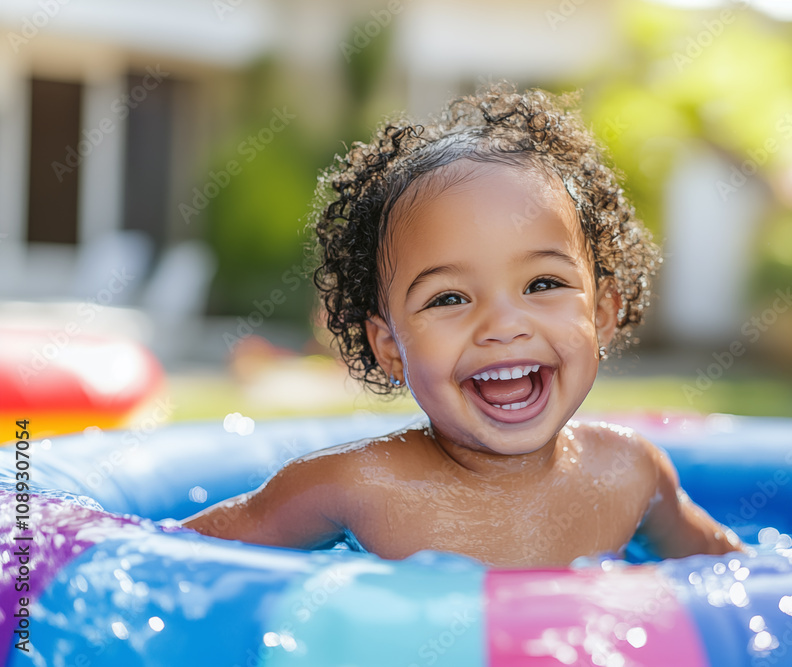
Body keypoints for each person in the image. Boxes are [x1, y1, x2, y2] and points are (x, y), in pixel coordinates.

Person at [183, 82, 741, 566]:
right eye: (449, 297)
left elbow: (736, 573)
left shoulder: (629, 475)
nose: (502, 324)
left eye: (542, 284)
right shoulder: (353, 487)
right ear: (390, 347)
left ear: (601, 314)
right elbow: (171, 557)